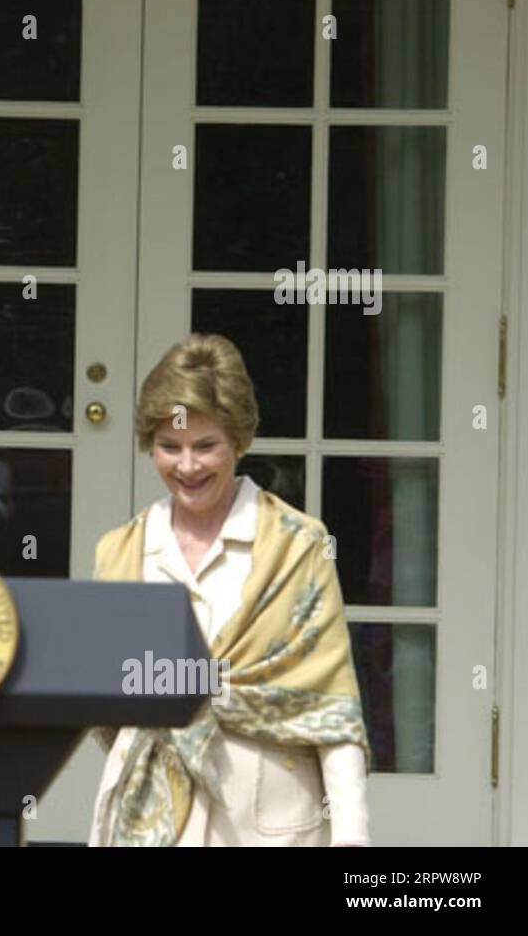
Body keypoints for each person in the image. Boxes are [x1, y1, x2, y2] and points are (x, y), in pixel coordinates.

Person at [89, 333, 370, 847]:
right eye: (168, 447)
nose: (188, 466)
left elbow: (333, 710)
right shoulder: (120, 552)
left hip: (268, 825)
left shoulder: (298, 547)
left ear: (239, 442)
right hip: (150, 822)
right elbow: (108, 711)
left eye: (206, 447)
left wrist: (352, 836)